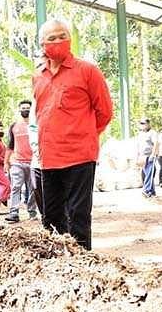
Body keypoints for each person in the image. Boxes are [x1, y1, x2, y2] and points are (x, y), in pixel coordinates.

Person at [33, 18, 113, 250]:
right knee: (51, 217)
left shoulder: (87, 71)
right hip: (49, 158)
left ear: (70, 39)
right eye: (52, 38)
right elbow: (41, 113)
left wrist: (84, 134)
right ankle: (57, 262)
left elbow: (104, 112)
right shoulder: (38, 75)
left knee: (79, 215)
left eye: (62, 36)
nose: (58, 41)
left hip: (80, 156)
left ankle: (82, 261)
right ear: (42, 44)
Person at [5, 100, 38, 222]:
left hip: (33, 162)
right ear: (19, 110)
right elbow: (10, 145)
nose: (25, 110)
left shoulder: (36, 125)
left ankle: (32, 212)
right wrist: (6, 162)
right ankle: (14, 212)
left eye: (27, 108)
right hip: (17, 162)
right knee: (15, 187)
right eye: (23, 108)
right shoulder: (14, 126)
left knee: (33, 189)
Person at [136, 118, 158, 198]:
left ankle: (146, 190)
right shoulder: (140, 134)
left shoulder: (152, 133)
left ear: (148, 124)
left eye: (144, 123)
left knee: (150, 173)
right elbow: (138, 145)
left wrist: (153, 154)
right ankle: (152, 191)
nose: (142, 125)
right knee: (147, 174)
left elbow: (156, 143)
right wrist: (137, 156)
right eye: (141, 123)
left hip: (149, 155)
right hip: (142, 156)